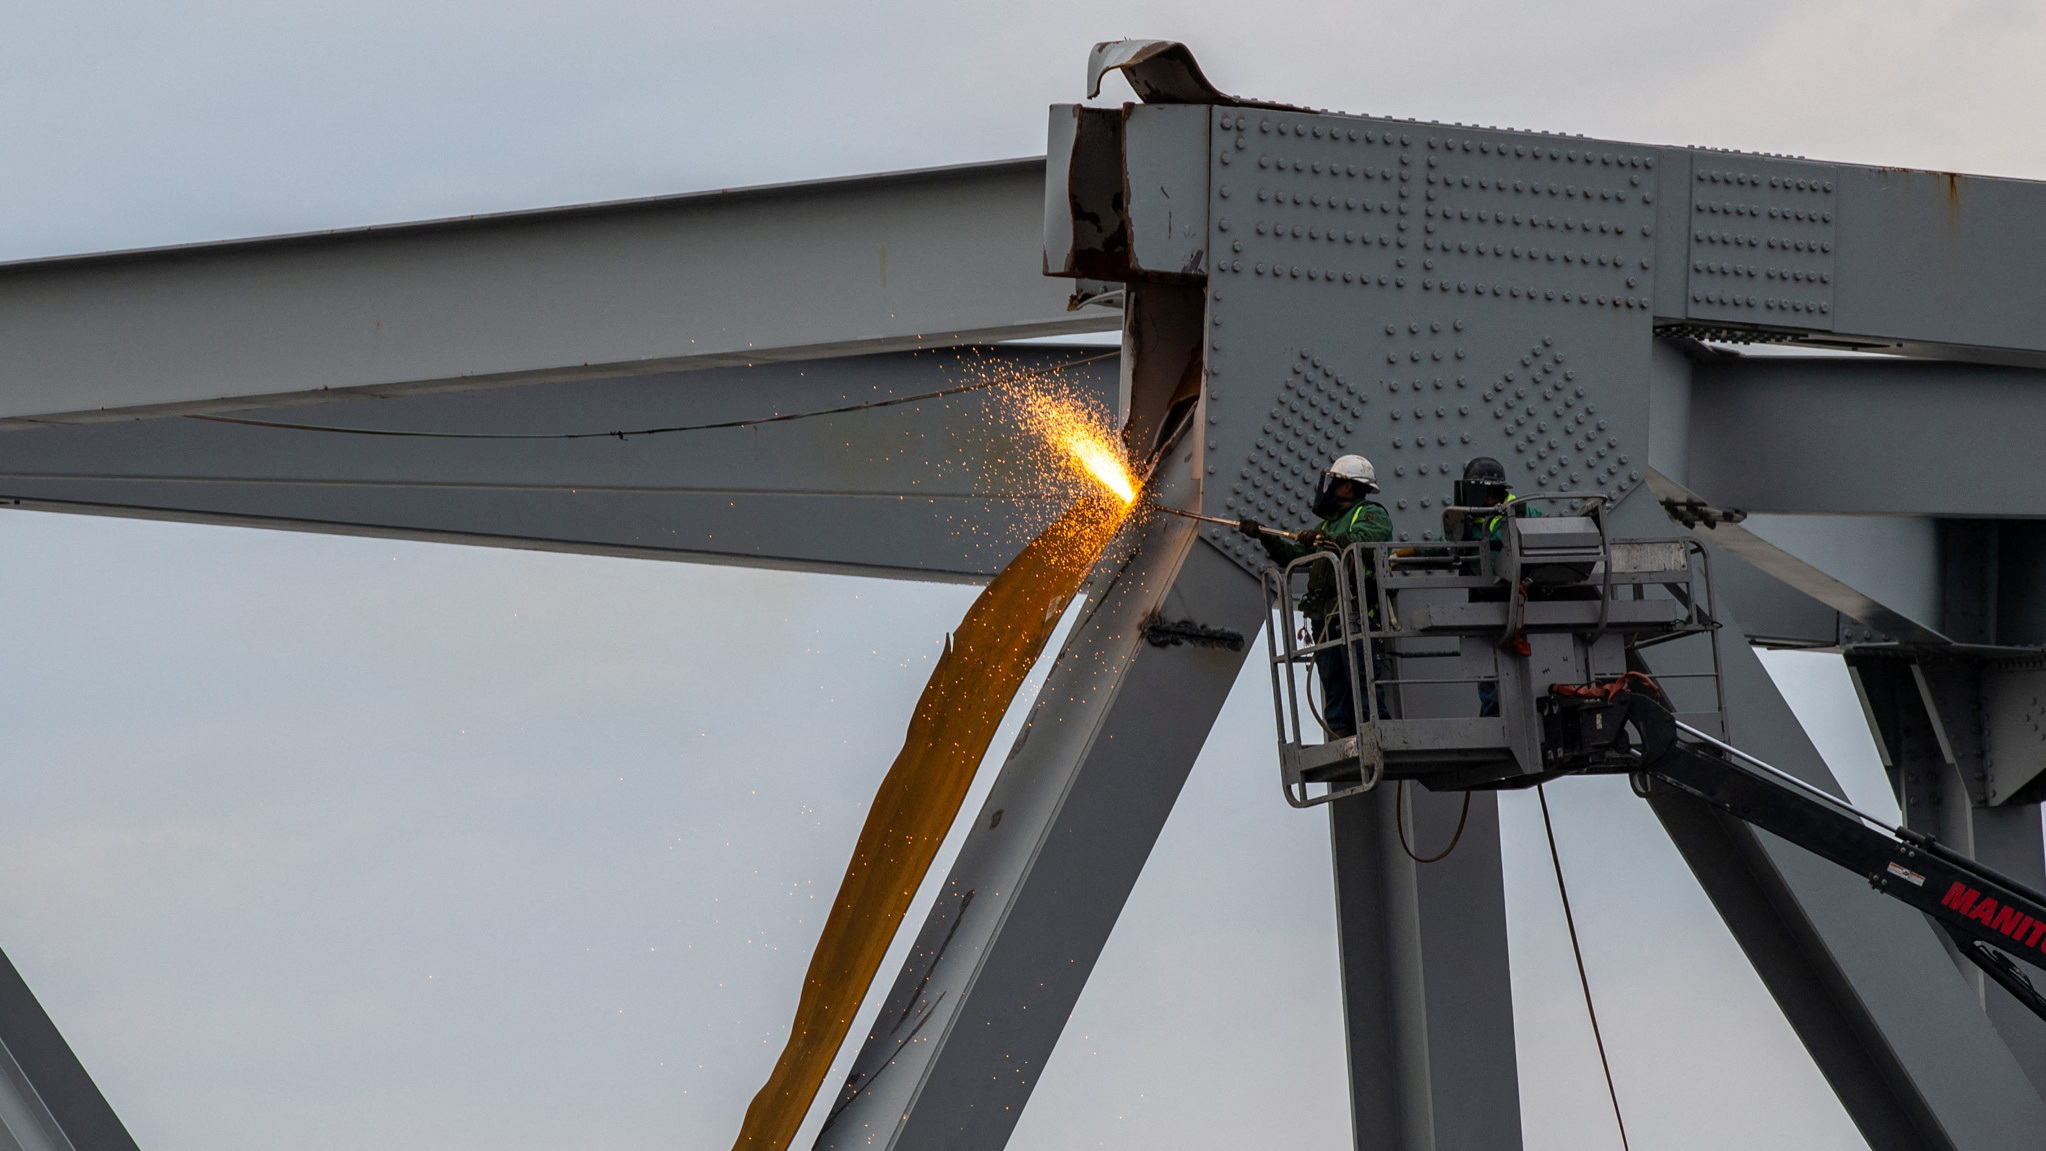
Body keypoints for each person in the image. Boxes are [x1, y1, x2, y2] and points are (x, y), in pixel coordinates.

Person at [1237, 455, 1393, 737]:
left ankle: (1374, 727)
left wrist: (1325, 541)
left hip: (1353, 610)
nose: (1329, 488)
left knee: (1359, 674)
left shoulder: (1370, 514)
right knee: (1332, 678)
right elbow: (1294, 556)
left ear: (1347, 487)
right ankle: (1341, 732)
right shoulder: (1328, 525)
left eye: (1335, 482)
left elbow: (1366, 540)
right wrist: (1264, 536)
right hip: (1325, 613)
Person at [1444, 456, 1534, 717]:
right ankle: (1494, 714)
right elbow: (1449, 541)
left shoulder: (1519, 512)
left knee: (1513, 670)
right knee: (1487, 670)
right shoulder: (1475, 517)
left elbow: (1497, 553)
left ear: (1491, 491)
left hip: (1513, 602)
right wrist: (1412, 552)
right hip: (1487, 602)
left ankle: (1506, 716)